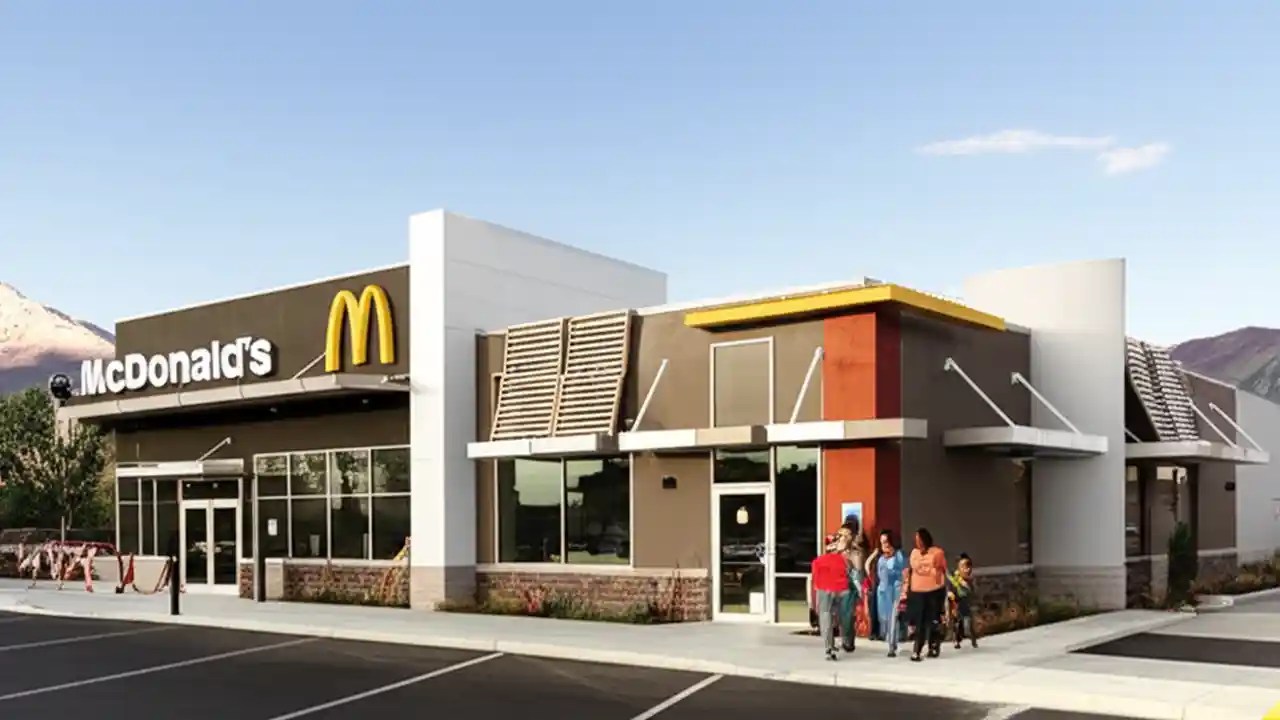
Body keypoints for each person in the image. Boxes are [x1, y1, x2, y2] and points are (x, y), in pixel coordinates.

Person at [904, 527, 947, 662]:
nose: (918, 542)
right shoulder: (914, 553)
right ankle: (917, 649)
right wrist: (928, 568)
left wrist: (926, 569)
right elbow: (915, 567)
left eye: (920, 539)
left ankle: (933, 646)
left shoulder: (937, 552)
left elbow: (940, 569)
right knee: (920, 622)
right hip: (918, 592)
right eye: (916, 539)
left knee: (934, 620)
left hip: (934, 590)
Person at [812, 533, 853, 661]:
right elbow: (849, 571)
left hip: (824, 591)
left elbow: (815, 578)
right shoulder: (843, 560)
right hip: (841, 591)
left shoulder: (818, 561)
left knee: (826, 618)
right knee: (843, 617)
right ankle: (845, 641)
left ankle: (829, 647)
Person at [874, 529, 907, 657]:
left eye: (887, 542)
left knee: (894, 616)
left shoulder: (898, 556)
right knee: (885, 618)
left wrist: (904, 589)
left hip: (896, 589)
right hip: (883, 591)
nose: (885, 545)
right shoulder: (881, 559)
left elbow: (904, 572)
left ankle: (891, 646)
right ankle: (891, 641)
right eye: (882, 542)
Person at [948, 553, 978, 649]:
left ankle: (973, 640)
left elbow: (973, 591)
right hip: (957, 602)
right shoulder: (955, 577)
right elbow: (951, 588)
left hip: (966, 602)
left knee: (969, 622)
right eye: (962, 567)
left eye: (966, 567)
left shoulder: (970, 579)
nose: (965, 569)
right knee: (957, 622)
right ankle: (957, 640)